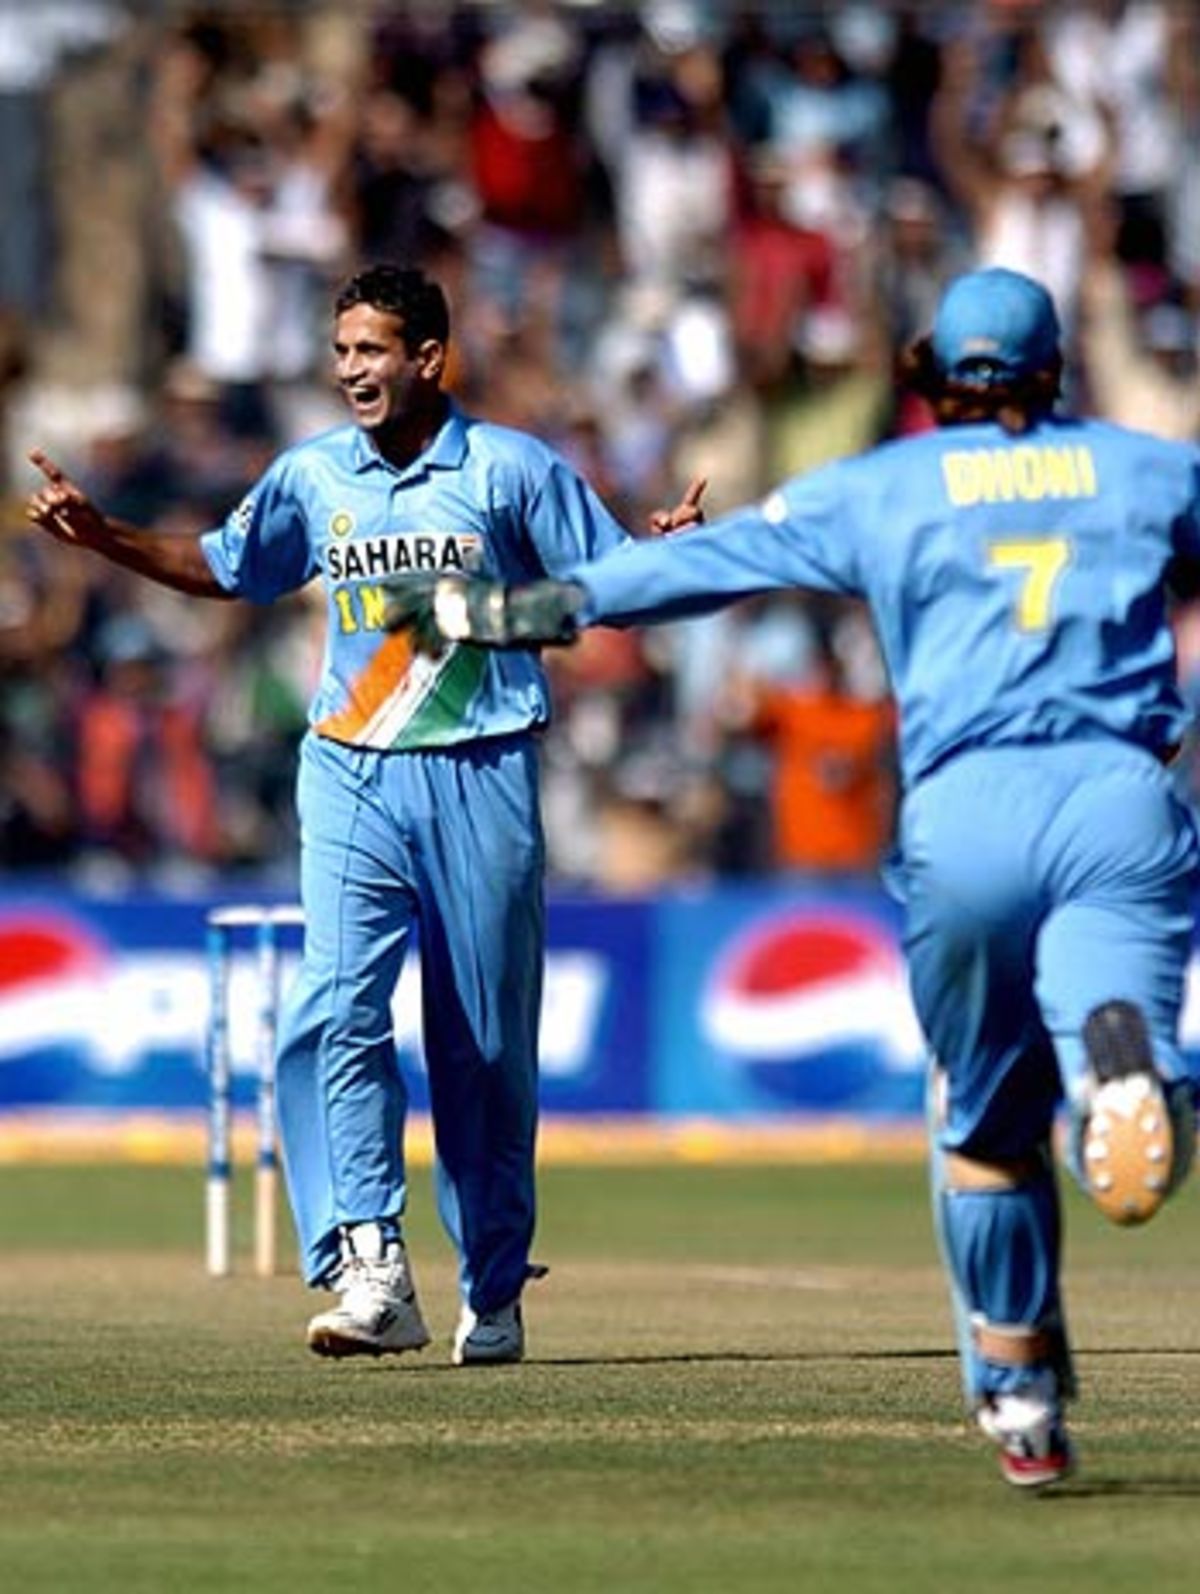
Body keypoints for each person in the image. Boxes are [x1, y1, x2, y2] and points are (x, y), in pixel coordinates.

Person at [386, 266, 1200, 1483]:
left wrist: (526, 608)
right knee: (1105, 1017)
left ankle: (1021, 1395)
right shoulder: (1150, 471)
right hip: (1116, 796)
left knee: (982, 1124)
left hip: (967, 811)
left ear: (938, 375)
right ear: (1054, 369)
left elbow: (706, 566)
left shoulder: (888, 484)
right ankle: (1125, 1077)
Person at [25, 262, 700, 1368]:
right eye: (341, 352)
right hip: (348, 770)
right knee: (334, 1007)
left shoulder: (510, 470)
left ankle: (492, 1280)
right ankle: (370, 1263)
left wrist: (670, 556)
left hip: (482, 771)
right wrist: (104, 537)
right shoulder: (312, 474)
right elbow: (228, 566)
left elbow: (612, 586)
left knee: (485, 1050)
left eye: (371, 350)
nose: (350, 371)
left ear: (429, 358)